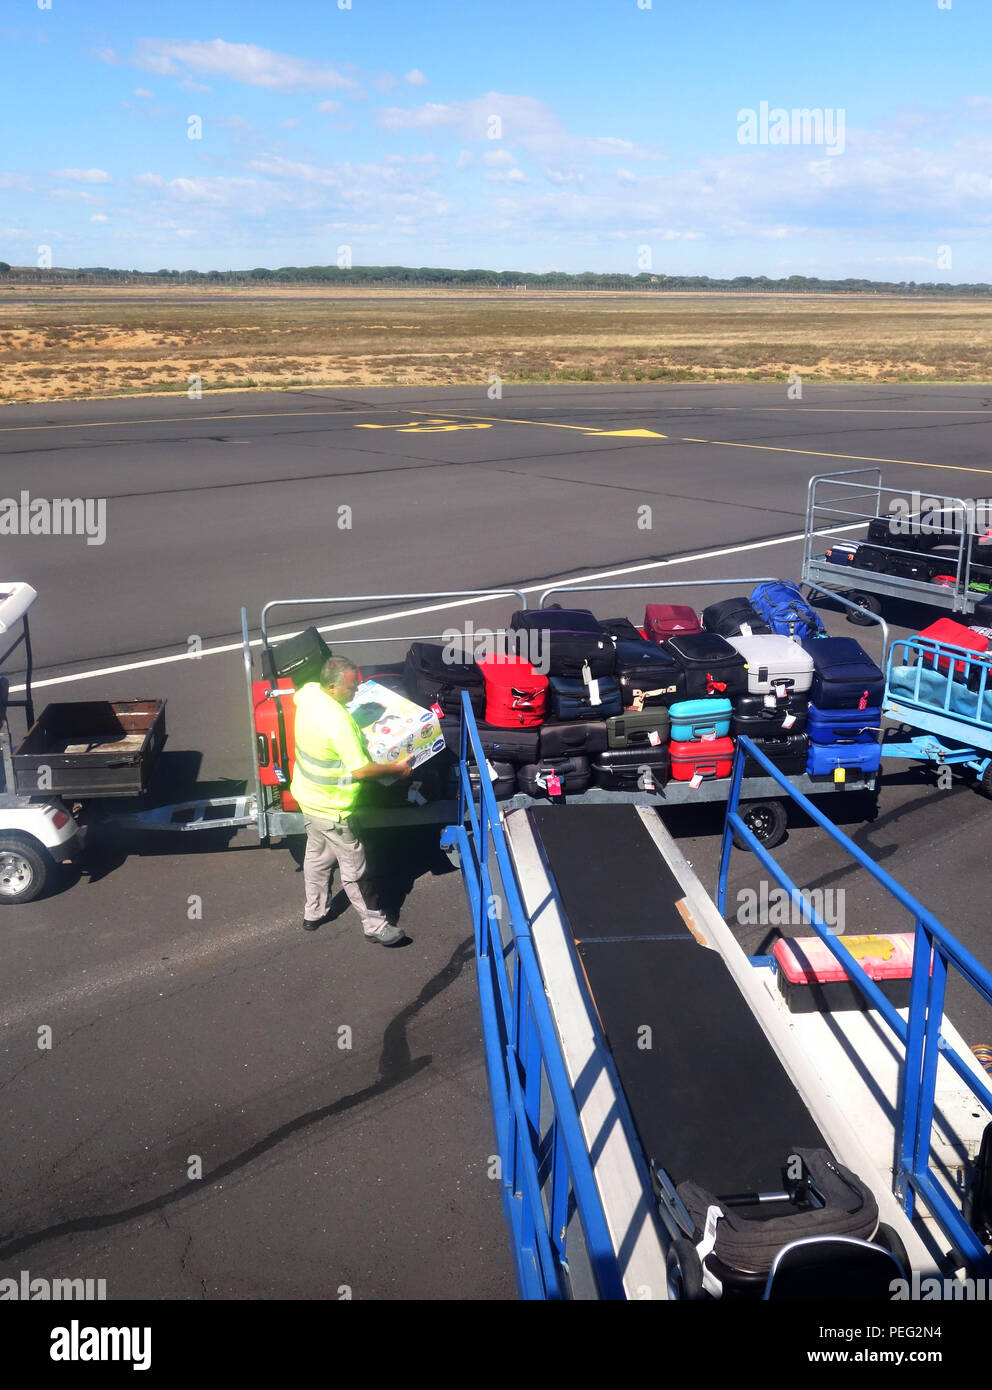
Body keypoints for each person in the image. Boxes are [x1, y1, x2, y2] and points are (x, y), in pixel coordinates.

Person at [290, 655, 413, 945]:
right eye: (351, 688)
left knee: (317, 858)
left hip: (308, 799)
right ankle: (376, 926)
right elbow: (361, 770)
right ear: (332, 686)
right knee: (356, 870)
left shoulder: (309, 693)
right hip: (334, 809)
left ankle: (314, 912)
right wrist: (399, 768)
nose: (356, 692)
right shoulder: (336, 723)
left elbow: (302, 696)